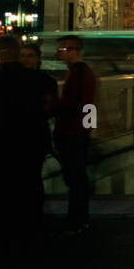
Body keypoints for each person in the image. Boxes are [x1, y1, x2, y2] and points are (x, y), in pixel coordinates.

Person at [0, 35, 53, 251]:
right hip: (31, 143)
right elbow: (46, 110)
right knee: (30, 186)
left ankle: (3, 235)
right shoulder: (38, 79)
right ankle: (31, 231)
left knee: (0, 191)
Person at [53, 35, 97, 235]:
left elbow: (86, 103)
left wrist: (85, 130)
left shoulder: (80, 73)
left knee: (76, 178)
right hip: (75, 131)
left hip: (72, 132)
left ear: (75, 50)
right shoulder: (79, 72)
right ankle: (78, 218)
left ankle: (78, 219)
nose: (60, 53)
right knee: (76, 178)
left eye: (64, 49)